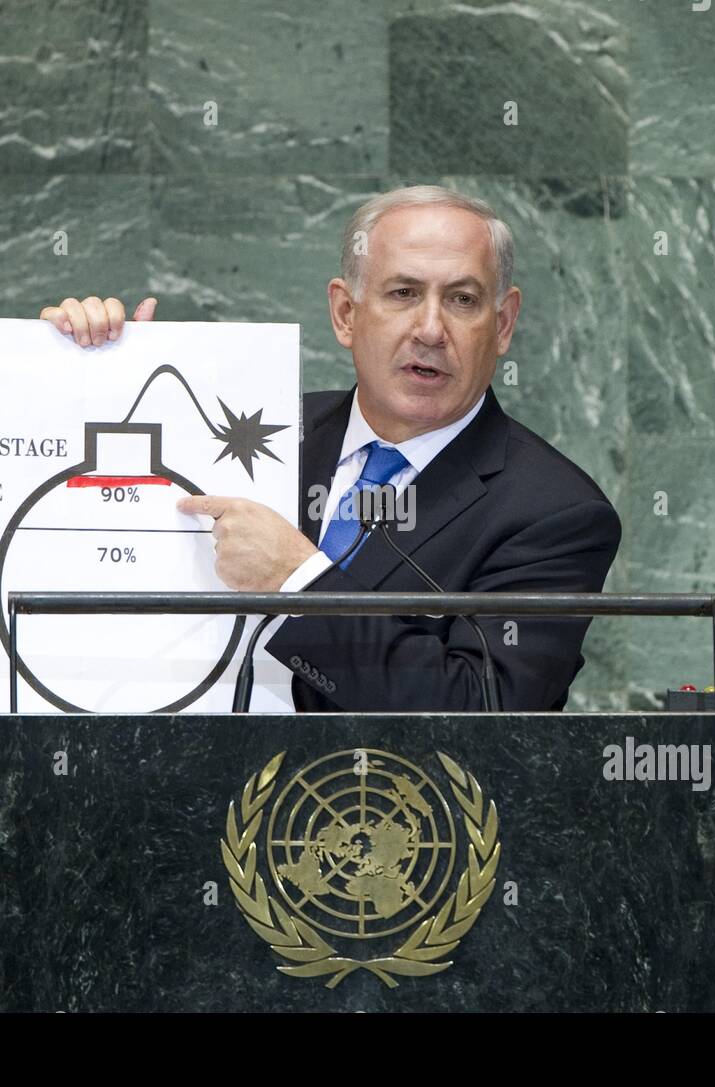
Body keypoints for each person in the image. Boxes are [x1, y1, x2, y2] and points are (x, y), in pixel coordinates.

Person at [39, 185, 621, 711]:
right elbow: (86, 535)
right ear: (346, 313)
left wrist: (299, 583)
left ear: (503, 324)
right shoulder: (261, 431)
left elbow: (480, 713)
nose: (430, 329)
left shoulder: (555, 513)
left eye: (463, 300)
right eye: (403, 292)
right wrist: (89, 371)